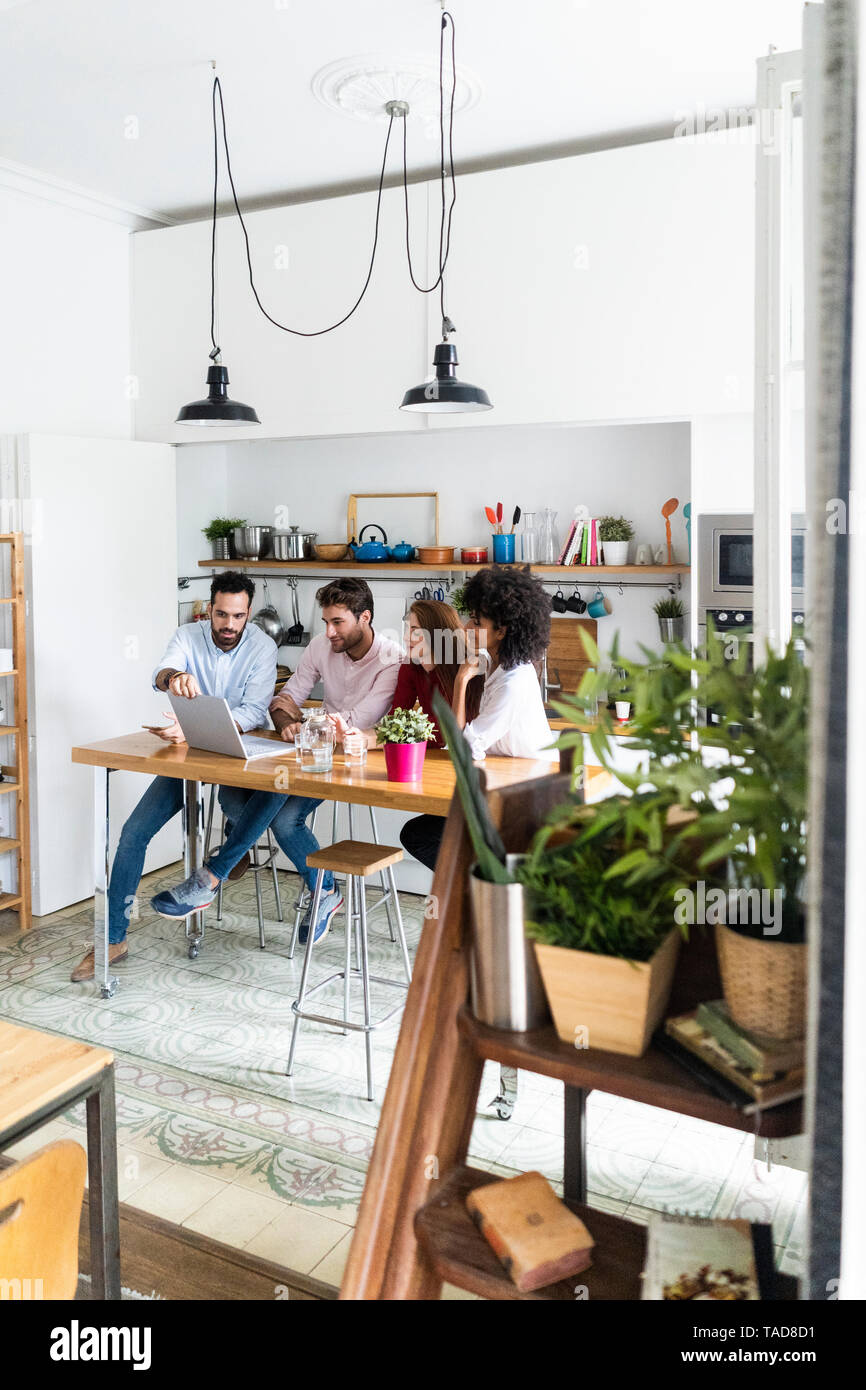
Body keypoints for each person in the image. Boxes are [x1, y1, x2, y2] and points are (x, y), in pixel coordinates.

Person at [152, 577, 403, 944]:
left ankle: (213, 874)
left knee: (281, 811)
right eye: (326, 621)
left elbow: (352, 724)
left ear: (364, 618)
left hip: (353, 760)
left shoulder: (390, 659)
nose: (328, 631)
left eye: (338, 623)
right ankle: (326, 891)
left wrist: (307, 727)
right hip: (311, 753)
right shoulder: (321, 646)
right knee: (233, 796)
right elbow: (284, 700)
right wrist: (288, 724)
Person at [69, 572, 277, 982]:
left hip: (240, 753)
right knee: (133, 832)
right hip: (190, 752)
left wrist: (208, 727)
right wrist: (173, 679)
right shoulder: (187, 634)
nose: (228, 625)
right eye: (221, 614)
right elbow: (160, 673)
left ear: (248, 613)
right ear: (210, 609)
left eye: (237, 616)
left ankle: (231, 853)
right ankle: (113, 937)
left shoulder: (263, 646)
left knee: (234, 803)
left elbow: (255, 711)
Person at [398, 565, 556, 873]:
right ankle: (482, 894)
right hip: (502, 788)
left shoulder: (514, 682)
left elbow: (463, 748)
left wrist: (460, 681)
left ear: (502, 630)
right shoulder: (496, 664)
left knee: (421, 835)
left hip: (524, 803)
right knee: (420, 834)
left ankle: (484, 892)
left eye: (477, 621)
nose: (467, 626)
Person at [336, 598, 483, 753]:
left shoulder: (464, 667)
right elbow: (396, 720)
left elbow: (445, 732)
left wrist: (370, 741)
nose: (406, 637)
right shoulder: (411, 667)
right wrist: (355, 735)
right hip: (433, 754)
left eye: (415, 630)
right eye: (408, 629)